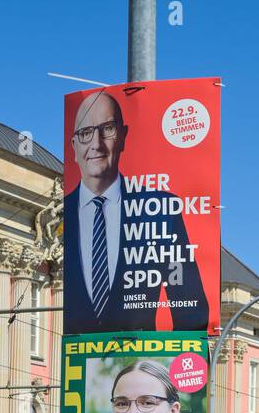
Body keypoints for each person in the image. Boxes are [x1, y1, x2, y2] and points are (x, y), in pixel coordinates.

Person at [62, 90, 209, 333]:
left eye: (107, 128)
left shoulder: (162, 210)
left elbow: (190, 312)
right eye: (86, 133)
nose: (96, 144)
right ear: (75, 145)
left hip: (141, 361)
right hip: (80, 363)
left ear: (123, 136)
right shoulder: (62, 214)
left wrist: (186, 366)